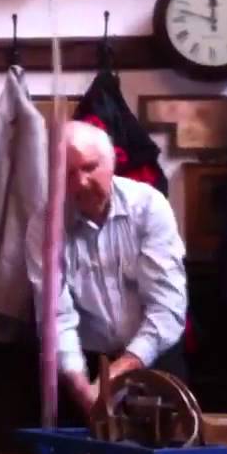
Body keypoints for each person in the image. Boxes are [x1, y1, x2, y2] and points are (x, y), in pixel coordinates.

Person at [25, 120, 188, 418]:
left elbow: (167, 309)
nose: (81, 183)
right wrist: (83, 390)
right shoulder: (45, 224)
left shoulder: (150, 207)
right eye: (68, 173)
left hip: (154, 357)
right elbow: (56, 318)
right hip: (84, 363)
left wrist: (115, 374)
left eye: (89, 167)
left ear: (111, 162)